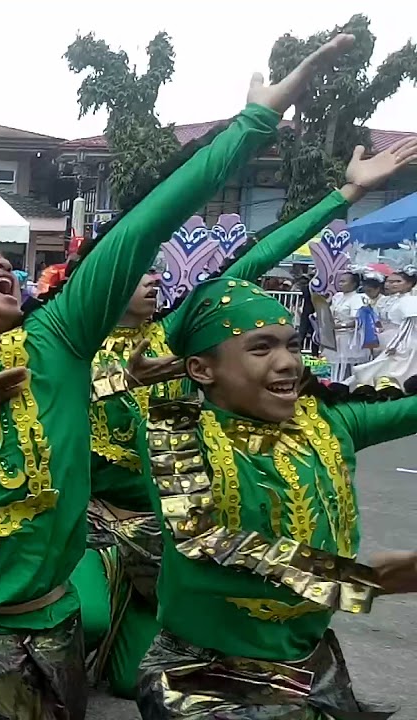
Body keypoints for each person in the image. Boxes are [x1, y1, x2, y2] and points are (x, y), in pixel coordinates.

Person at [0, 39, 349, 720]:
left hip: (38, 618)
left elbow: (141, 229)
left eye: (4, 254)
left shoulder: (58, 338)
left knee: (121, 655)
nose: (1, 261)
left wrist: (252, 127)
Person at [71, 135, 417, 700]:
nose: (152, 278)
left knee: (133, 675)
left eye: (289, 345)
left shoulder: (182, 335)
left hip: (163, 528)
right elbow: (205, 537)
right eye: (135, 272)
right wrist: (125, 380)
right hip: (107, 519)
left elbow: (248, 265)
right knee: (89, 622)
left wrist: (346, 193)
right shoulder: (73, 351)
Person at [136, 271, 417, 718]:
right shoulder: (174, 432)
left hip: (309, 668)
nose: (289, 362)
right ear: (202, 369)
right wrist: (360, 581)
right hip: (204, 681)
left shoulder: (324, 424)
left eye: (291, 344)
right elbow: (205, 540)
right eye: (261, 347)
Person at [350, 266, 417, 388]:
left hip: (402, 341)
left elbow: (408, 325)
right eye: (389, 281)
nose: (392, 284)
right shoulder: (388, 300)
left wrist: (395, 345)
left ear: (409, 284)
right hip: (386, 337)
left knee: (392, 371)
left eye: (397, 281)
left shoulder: (410, 300)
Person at [324, 269, 372, 382]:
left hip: (350, 337)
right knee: (335, 365)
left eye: (344, 281)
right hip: (336, 336)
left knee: (348, 365)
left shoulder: (358, 298)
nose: (340, 284)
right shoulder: (338, 296)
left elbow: (359, 321)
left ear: (354, 284)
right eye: (340, 281)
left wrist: (341, 326)